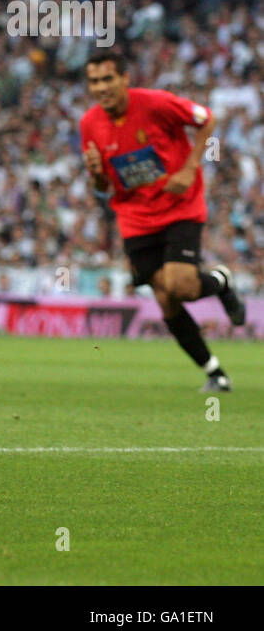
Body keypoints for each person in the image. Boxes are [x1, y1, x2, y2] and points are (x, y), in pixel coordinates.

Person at [79, 49, 244, 392]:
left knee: (181, 285)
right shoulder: (89, 124)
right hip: (135, 219)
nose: (101, 87)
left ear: (125, 78)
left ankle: (221, 281)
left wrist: (190, 167)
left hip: (178, 206)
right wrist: (95, 175)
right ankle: (215, 372)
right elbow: (103, 186)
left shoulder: (155, 103)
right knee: (166, 298)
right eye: (94, 81)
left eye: (108, 78)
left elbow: (206, 118)